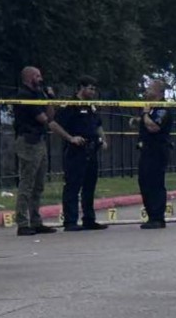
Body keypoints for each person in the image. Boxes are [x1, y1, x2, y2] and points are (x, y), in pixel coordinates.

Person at [11, 65, 85, 237]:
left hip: (39, 141)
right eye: (37, 76)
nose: (40, 79)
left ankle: (36, 221)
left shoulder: (38, 94)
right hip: (28, 141)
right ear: (29, 77)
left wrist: (50, 97)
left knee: (38, 185)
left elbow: (51, 116)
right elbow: (44, 119)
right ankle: (22, 223)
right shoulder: (24, 96)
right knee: (27, 183)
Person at [58, 77, 106, 232]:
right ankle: (70, 220)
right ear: (81, 87)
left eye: (94, 89)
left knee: (89, 186)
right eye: (90, 88)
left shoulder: (91, 106)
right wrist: (71, 138)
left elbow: (98, 125)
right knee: (73, 185)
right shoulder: (70, 105)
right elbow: (55, 123)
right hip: (76, 150)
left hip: (92, 150)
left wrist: (103, 140)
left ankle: (89, 219)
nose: (93, 92)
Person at [137, 78, 173, 229]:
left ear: (159, 92)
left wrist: (145, 115)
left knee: (155, 183)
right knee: (144, 181)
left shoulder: (162, 108)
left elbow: (154, 127)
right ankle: (151, 216)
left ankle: (158, 217)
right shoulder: (152, 107)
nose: (147, 90)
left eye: (150, 88)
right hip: (146, 150)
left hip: (157, 150)